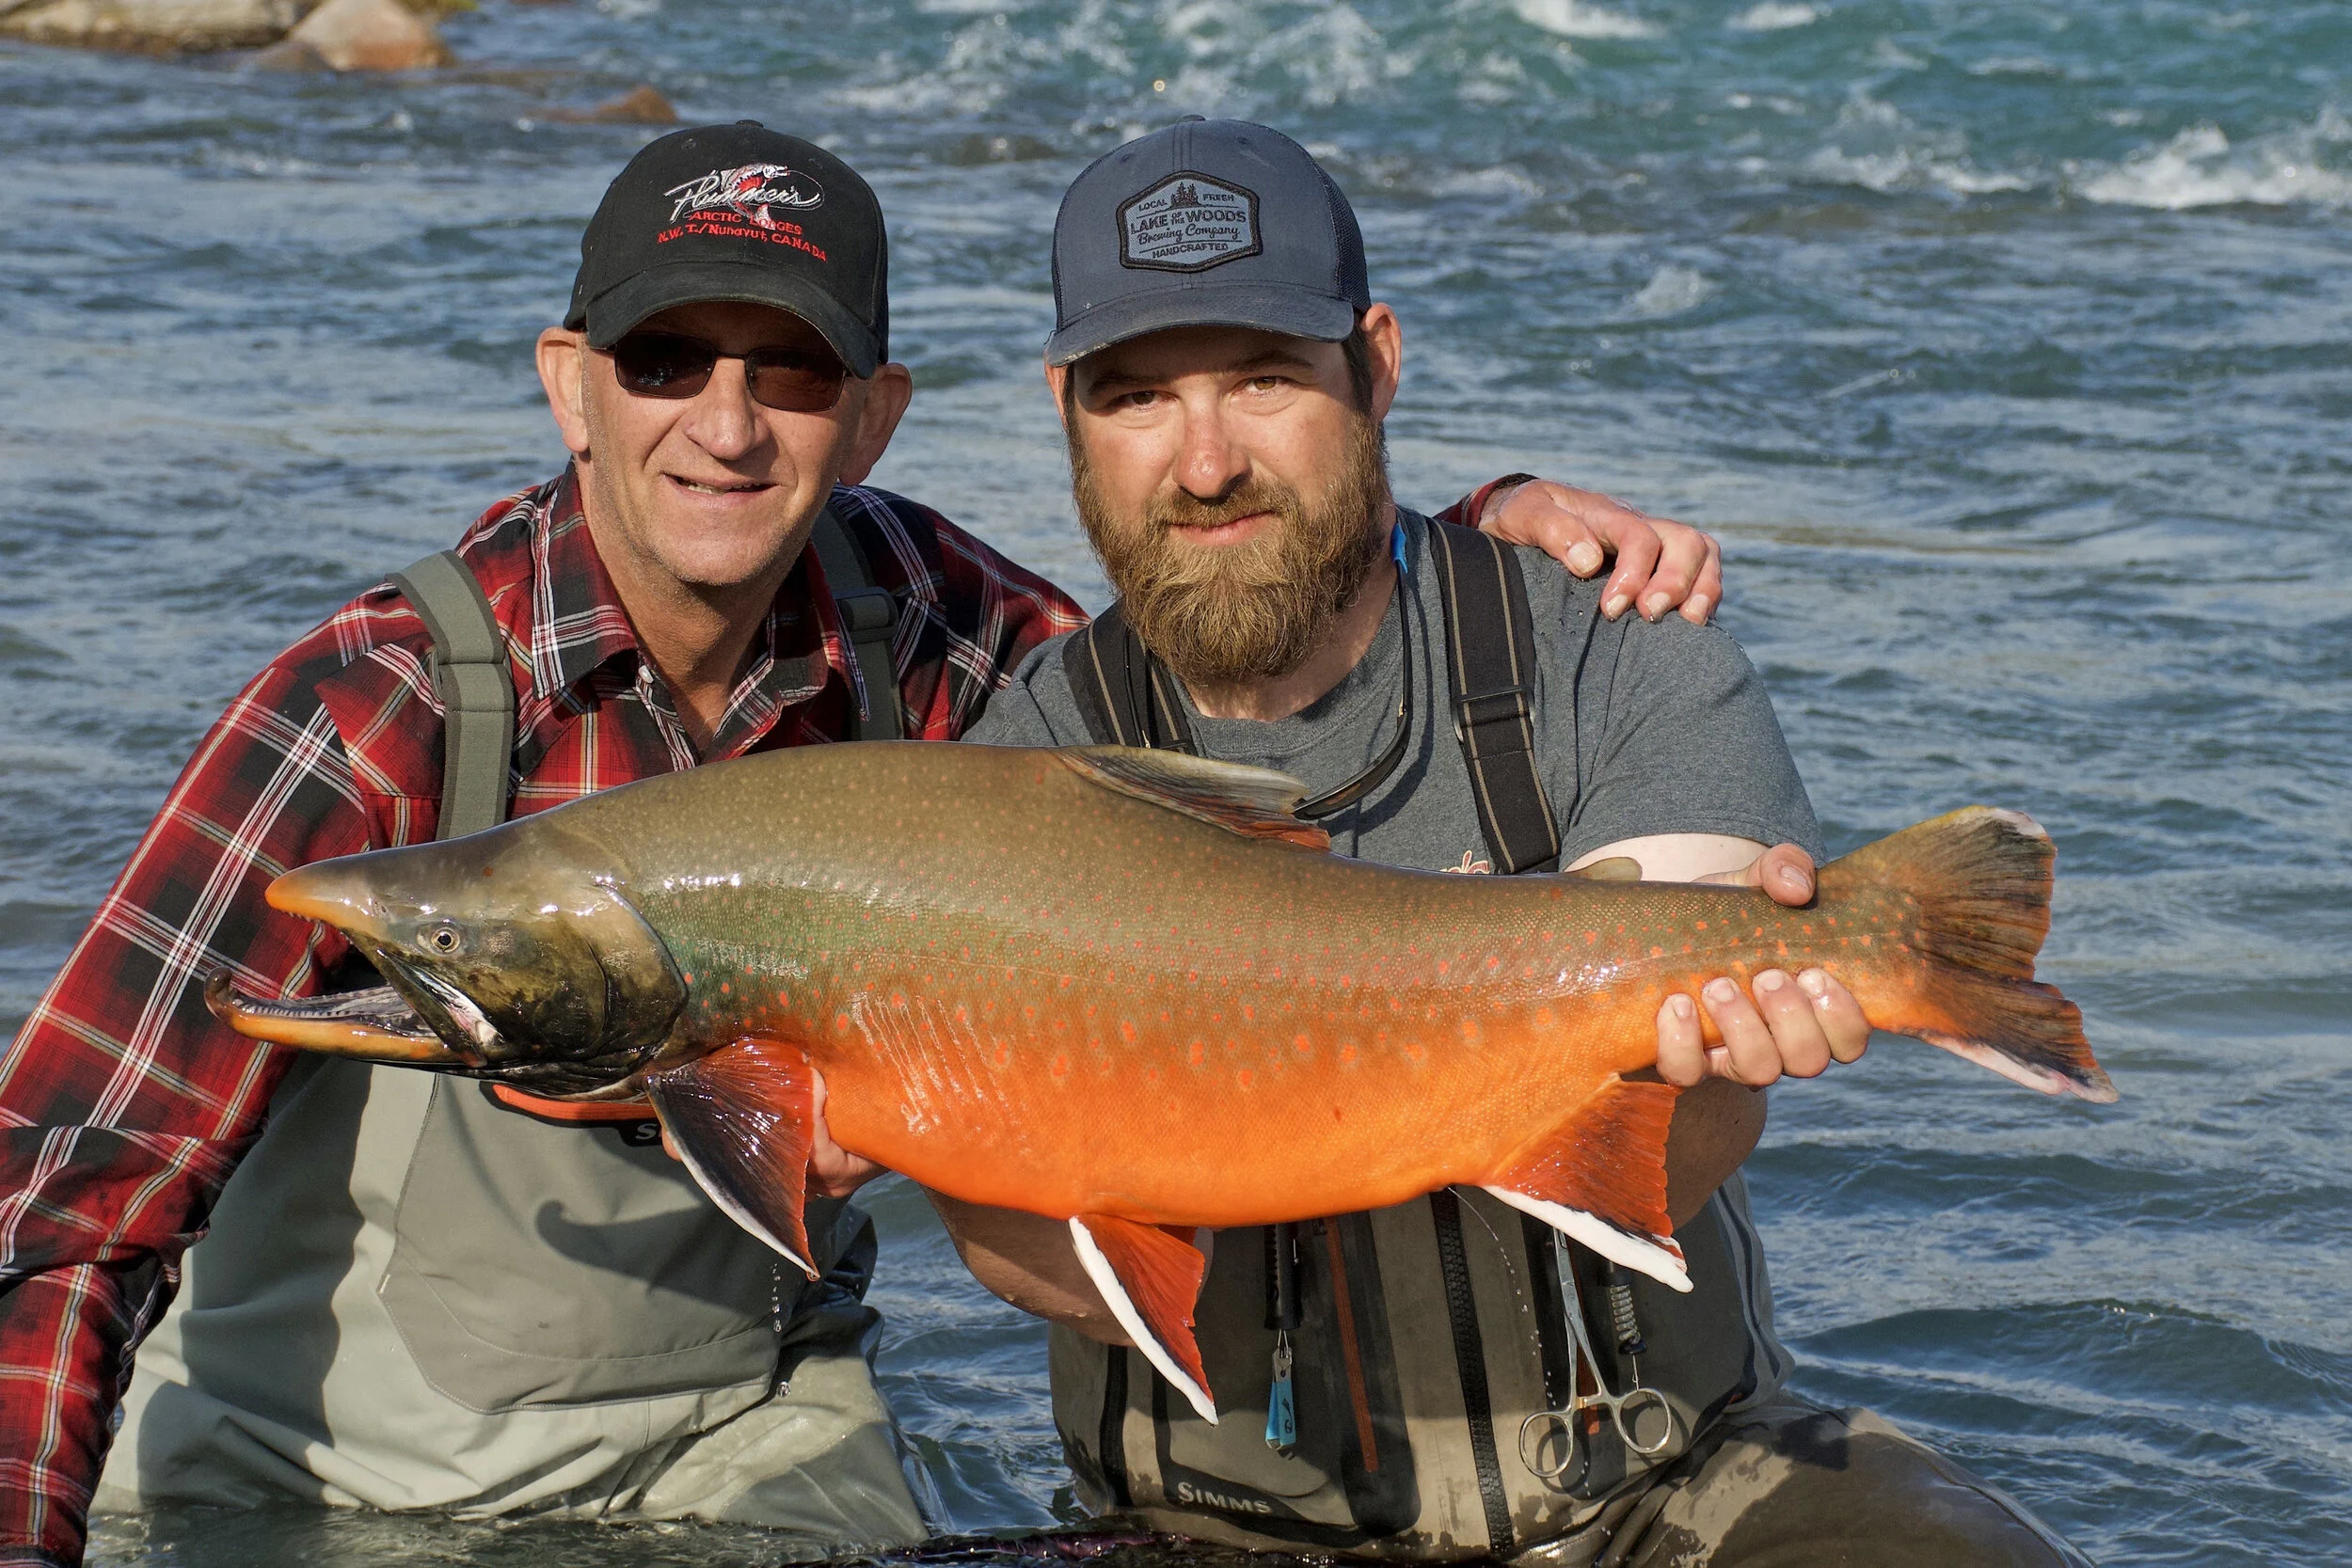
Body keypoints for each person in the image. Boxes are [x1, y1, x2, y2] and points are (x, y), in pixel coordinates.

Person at [0, 121, 1717, 1568]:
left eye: (792, 370)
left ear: (875, 411)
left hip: (746, 1441)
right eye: (665, 361)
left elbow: (1237, 609)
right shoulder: (372, 706)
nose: (727, 425)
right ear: (569, 389)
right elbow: (66, 1197)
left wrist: (1464, 546)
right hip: (306, 1475)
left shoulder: (943, 630)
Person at [937, 119, 2093, 1566]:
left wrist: (1745, 1028)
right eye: (1138, 398)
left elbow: (1700, 1126)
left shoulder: (1614, 643)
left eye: (1265, 379)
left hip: (1663, 1493)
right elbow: (1002, 1247)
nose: (1206, 458)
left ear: (1378, 365)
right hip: (1200, 1529)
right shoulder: (1017, 769)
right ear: (1066, 411)